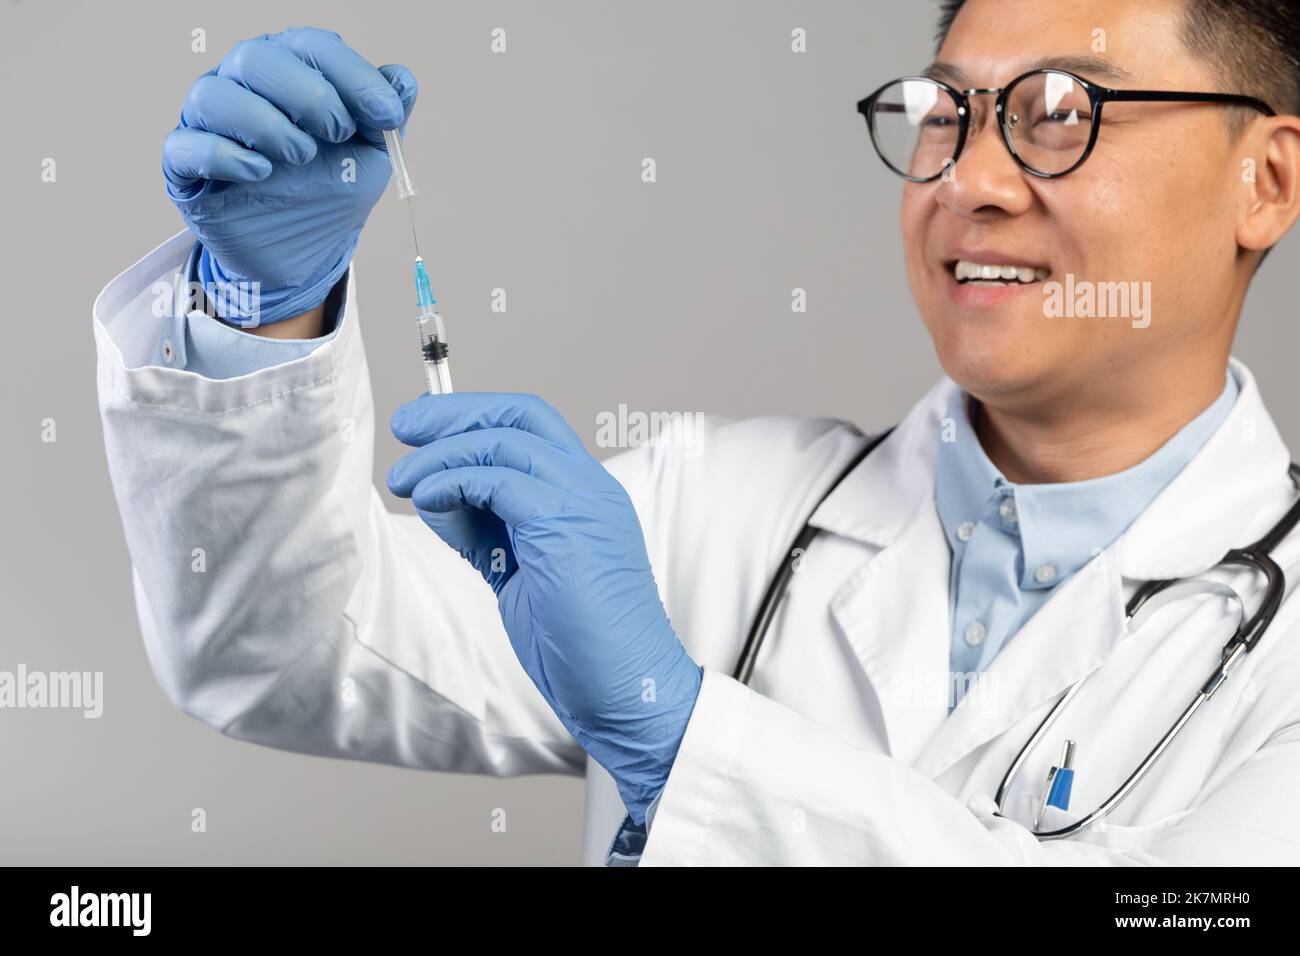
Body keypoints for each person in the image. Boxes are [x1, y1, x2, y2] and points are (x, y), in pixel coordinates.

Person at [94, 1, 1300, 866]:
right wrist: (263, 307)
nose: (967, 178)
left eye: (1054, 112)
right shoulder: (718, 509)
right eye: (946, 112)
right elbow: (277, 652)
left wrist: (683, 732)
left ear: (1268, 180)